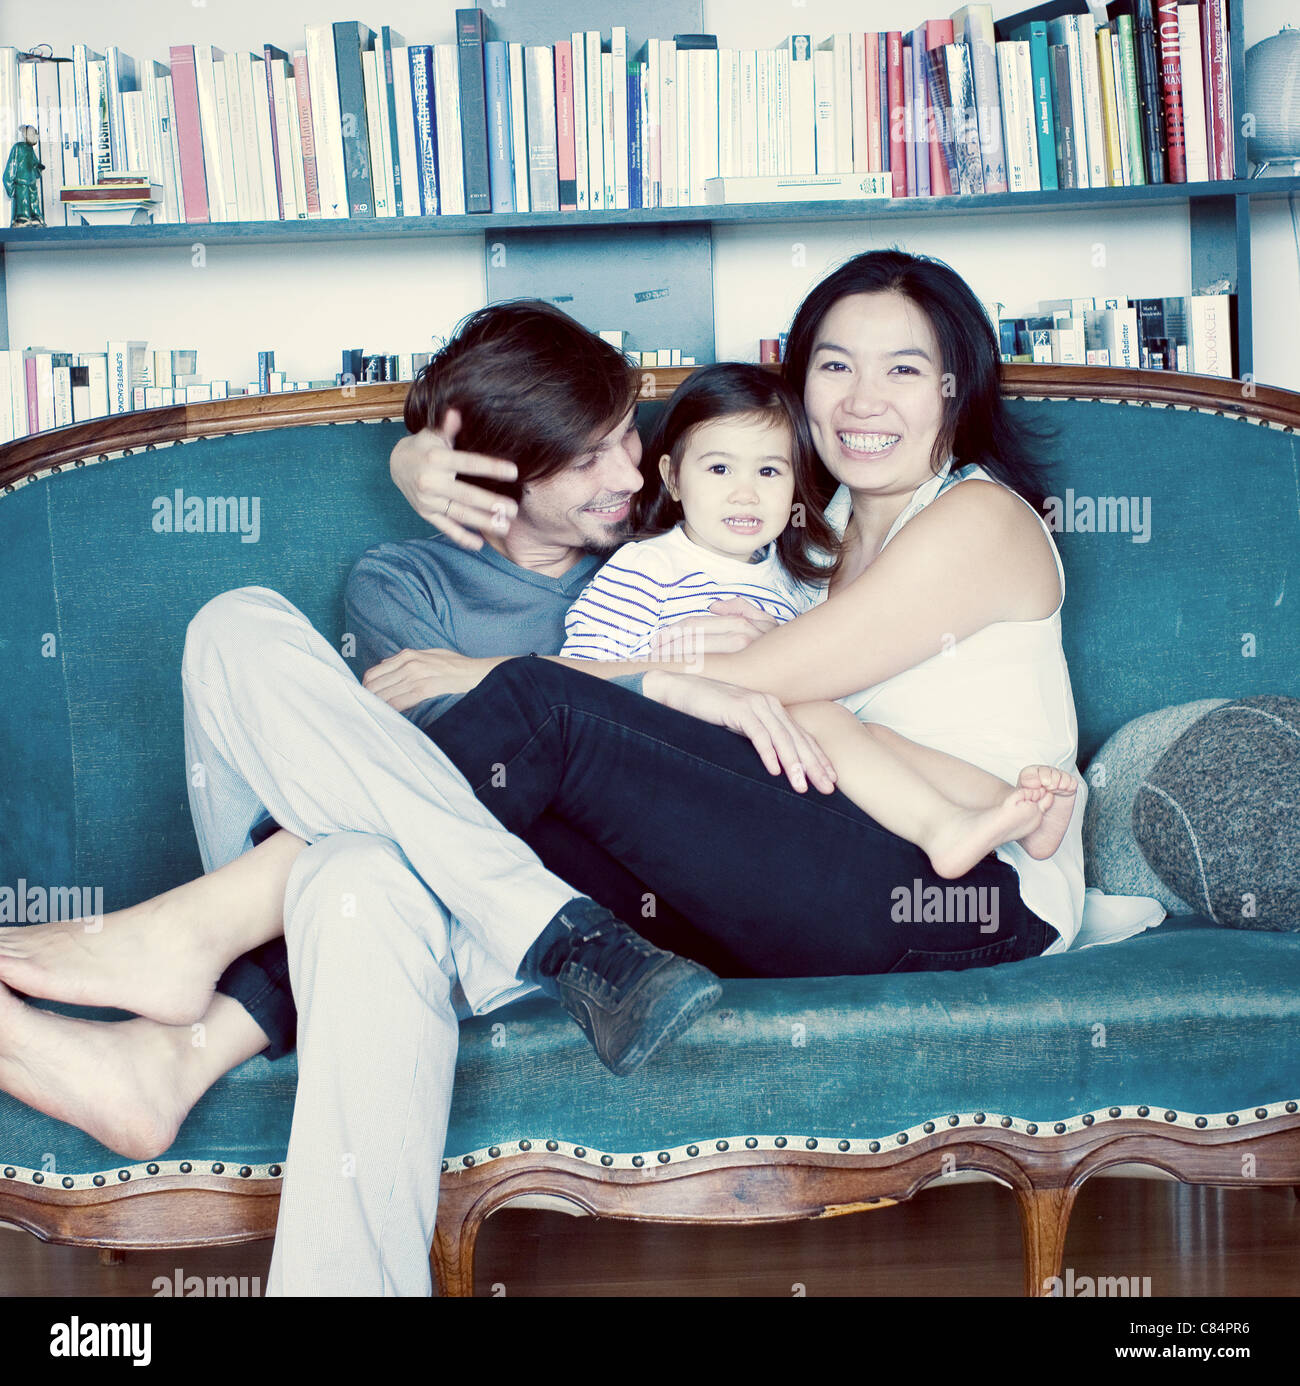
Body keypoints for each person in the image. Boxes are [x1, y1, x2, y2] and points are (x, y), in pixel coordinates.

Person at [0, 250, 1165, 1294]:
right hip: (828, 872)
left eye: (905, 371)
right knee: (371, 869)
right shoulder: (796, 531)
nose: (863, 400)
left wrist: (500, 667)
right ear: (793, 385)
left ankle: (190, 935)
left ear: (958, 387)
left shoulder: (975, 522)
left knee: (534, 721)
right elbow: (669, 530)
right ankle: (188, 1055)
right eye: (833, 367)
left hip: (968, 894)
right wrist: (423, 453)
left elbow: (753, 672)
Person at [559, 360, 1080, 881]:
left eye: (768, 471)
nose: (745, 493)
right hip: (679, 757)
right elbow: (576, 678)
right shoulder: (645, 566)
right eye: (719, 470)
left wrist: (774, 653)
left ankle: (1007, 807)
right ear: (672, 478)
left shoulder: (795, 575)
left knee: (861, 732)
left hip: (786, 767)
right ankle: (945, 828)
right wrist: (678, 676)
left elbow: (804, 672)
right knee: (821, 719)